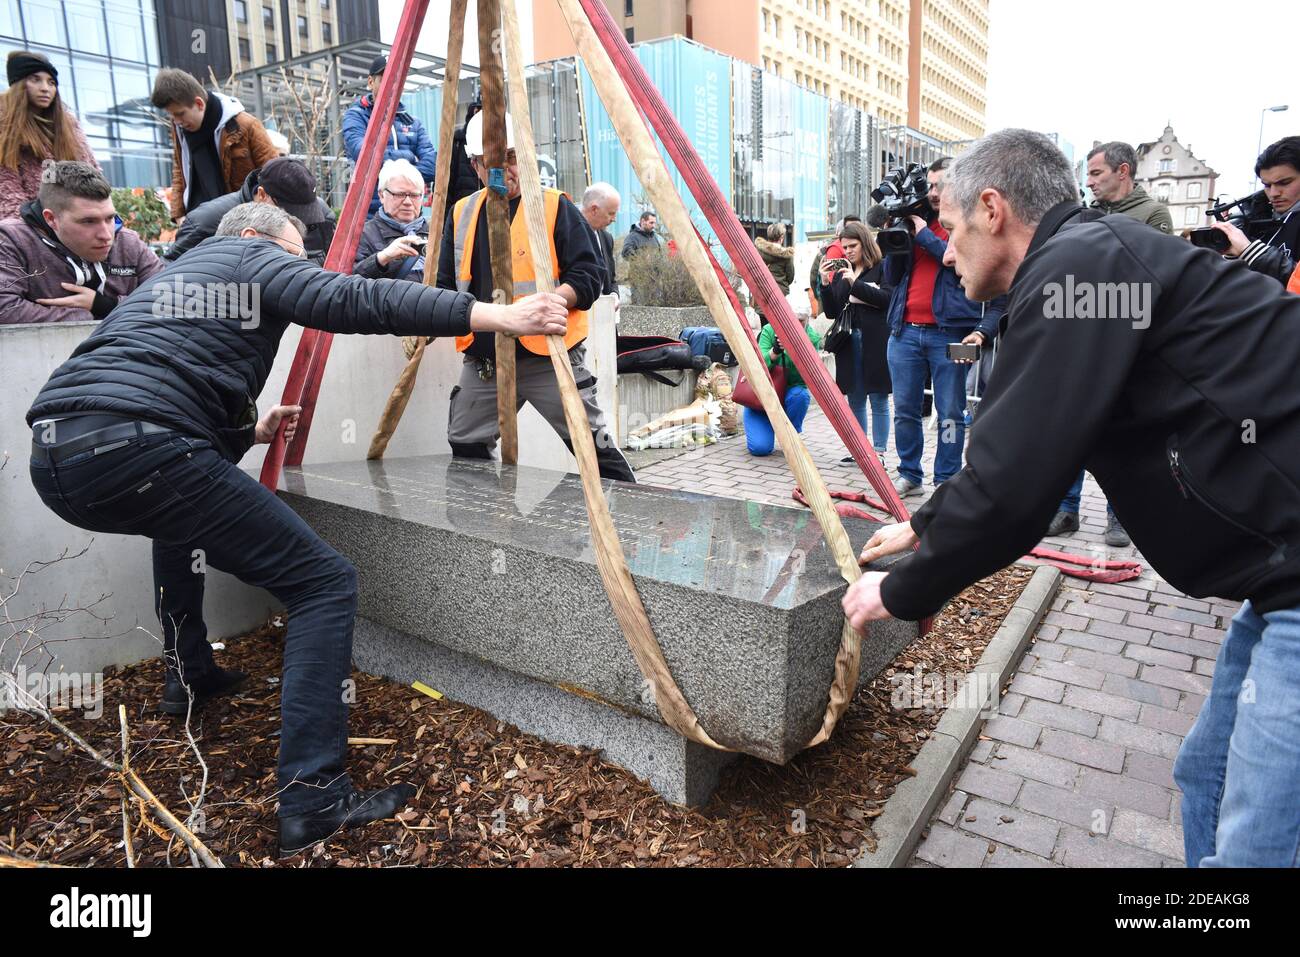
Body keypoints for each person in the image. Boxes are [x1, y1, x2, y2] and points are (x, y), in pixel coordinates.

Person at [26, 201, 570, 855]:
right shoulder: (252, 254)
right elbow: (352, 300)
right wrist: (495, 314)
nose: (299, 266)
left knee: (173, 520)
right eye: (295, 253)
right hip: (140, 443)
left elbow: (161, 372)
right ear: (259, 238)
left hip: (60, 452)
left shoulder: (171, 279)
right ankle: (313, 797)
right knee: (324, 580)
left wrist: (243, 431)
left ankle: (187, 674)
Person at [843, 128, 1300, 869]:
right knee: (1206, 774)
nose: (946, 251)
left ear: (992, 209)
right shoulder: (1078, 267)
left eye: (953, 229)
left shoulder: (1080, 273)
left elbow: (1014, 493)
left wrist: (901, 591)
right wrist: (925, 523)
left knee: (1255, 850)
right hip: (1278, 576)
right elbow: (1017, 442)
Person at [439, 111, 635, 482]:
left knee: (596, 448)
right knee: (465, 442)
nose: (505, 170)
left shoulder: (553, 205)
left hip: (549, 354)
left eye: (512, 158)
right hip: (485, 361)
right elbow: (445, 286)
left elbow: (590, 276)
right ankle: (488, 527)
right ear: (475, 165)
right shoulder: (461, 214)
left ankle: (623, 524)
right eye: (493, 162)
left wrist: (552, 301)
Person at [885, 157, 1005, 497]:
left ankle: (946, 478)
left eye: (941, 185)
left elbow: (958, 265)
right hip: (903, 332)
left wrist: (924, 234)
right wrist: (898, 240)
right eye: (931, 184)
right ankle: (910, 472)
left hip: (953, 334)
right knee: (905, 410)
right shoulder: (912, 223)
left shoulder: (964, 225)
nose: (934, 192)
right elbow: (892, 279)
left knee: (951, 413)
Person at [0, 161, 159, 324]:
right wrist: (83, 320)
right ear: (51, 219)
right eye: (89, 221)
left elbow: (171, 302)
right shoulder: (11, 240)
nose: (106, 235)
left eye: (110, 218)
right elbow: (5, 309)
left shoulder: (129, 242)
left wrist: (103, 305)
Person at [151, 68, 278, 223]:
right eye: (172, 116)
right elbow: (180, 169)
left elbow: (274, 174)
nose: (176, 121)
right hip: (197, 221)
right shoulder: (179, 128)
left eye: (180, 114)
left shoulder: (246, 126)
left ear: (199, 103)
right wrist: (178, 215)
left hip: (241, 223)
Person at [164, 157, 336, 263]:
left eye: (306, 211)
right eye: (290, 212)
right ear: (262, 194)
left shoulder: (321, 216)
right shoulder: (204, 222)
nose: (300, 220)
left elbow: (332, 263)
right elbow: (170, 272)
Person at [0, 51, 100, 222]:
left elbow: (92, 176)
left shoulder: (69, 127)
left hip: (78, 223)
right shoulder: (5, 128)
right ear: (18, 84)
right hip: (31, 229)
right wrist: (34, 231)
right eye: (35, 79)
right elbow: (7, 192)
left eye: (51, 82)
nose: (45, 88)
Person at [820, 220, 892, 457]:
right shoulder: (842, 271)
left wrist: (855, 283)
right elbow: (832, 311)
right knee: (855, 396)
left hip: (875, 337)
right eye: (845, 247)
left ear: (865, 243)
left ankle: (879, 451)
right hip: (848, 340)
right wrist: (824, 283)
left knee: (878, 397)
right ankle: (860, 451)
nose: (848, 251)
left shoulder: (882, 267)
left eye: (853, 246)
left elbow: (886, 300)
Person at [342, 55, 437, 217]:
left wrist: (393, 174)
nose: (393, 85)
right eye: (385, 79)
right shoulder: (356, 116)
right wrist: (409, 159)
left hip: (409, 213)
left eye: (397, 79)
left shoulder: (413, 122)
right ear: (371, 82)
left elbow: (433, 165)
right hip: (370, 214)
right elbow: (365, 156)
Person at [1211, 135, 1299, 286]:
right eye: (1266, 185)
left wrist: (1251, 252)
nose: (1273, 193)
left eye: (1284, 183)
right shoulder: (1258, 219)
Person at [743, 317, 823, 457]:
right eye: (794, 319)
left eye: (801, 321)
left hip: (788, 397)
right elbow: (755, 367)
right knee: (760, 448)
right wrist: (774, 352)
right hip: (760, 401)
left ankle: (790, 436)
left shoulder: (811, 338)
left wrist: (799, 350)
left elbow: (807, 380)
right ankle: (766, 426)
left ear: (808, 320)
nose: (796, 324)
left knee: (800, 395)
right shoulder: (769, 330)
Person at [354, 159, 430, 280]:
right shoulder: (363, 234)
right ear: (381, 195)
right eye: (399, 195)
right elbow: (349, 284)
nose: (408, 202)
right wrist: (381, 259)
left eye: (415, 195)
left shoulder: (436, 232)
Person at [1086, 141, 1173, 234]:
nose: (1088, 183)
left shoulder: (1154, 213)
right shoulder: (1088, 213)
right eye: (1088, 175)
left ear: (1123, 171)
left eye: (1096, 174)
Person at [579, 182, 620, 297]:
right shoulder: (567, 234)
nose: (614, 219)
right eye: (611, 213)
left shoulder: (607, 239)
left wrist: (614, 294)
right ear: (594, 209)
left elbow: (611, 279)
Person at [445, 100, 484, 219]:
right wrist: (447, 218)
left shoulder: (501, 141)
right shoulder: (458, 141)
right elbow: (447, 183)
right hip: (463, 212)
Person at [754, 221, 794, 326]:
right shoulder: (786, 256)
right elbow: (790, 277)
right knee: (778, 331)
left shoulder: (759, 251)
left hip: (762, 295)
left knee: (764, 330)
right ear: (781, 237)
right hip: (779, 297)